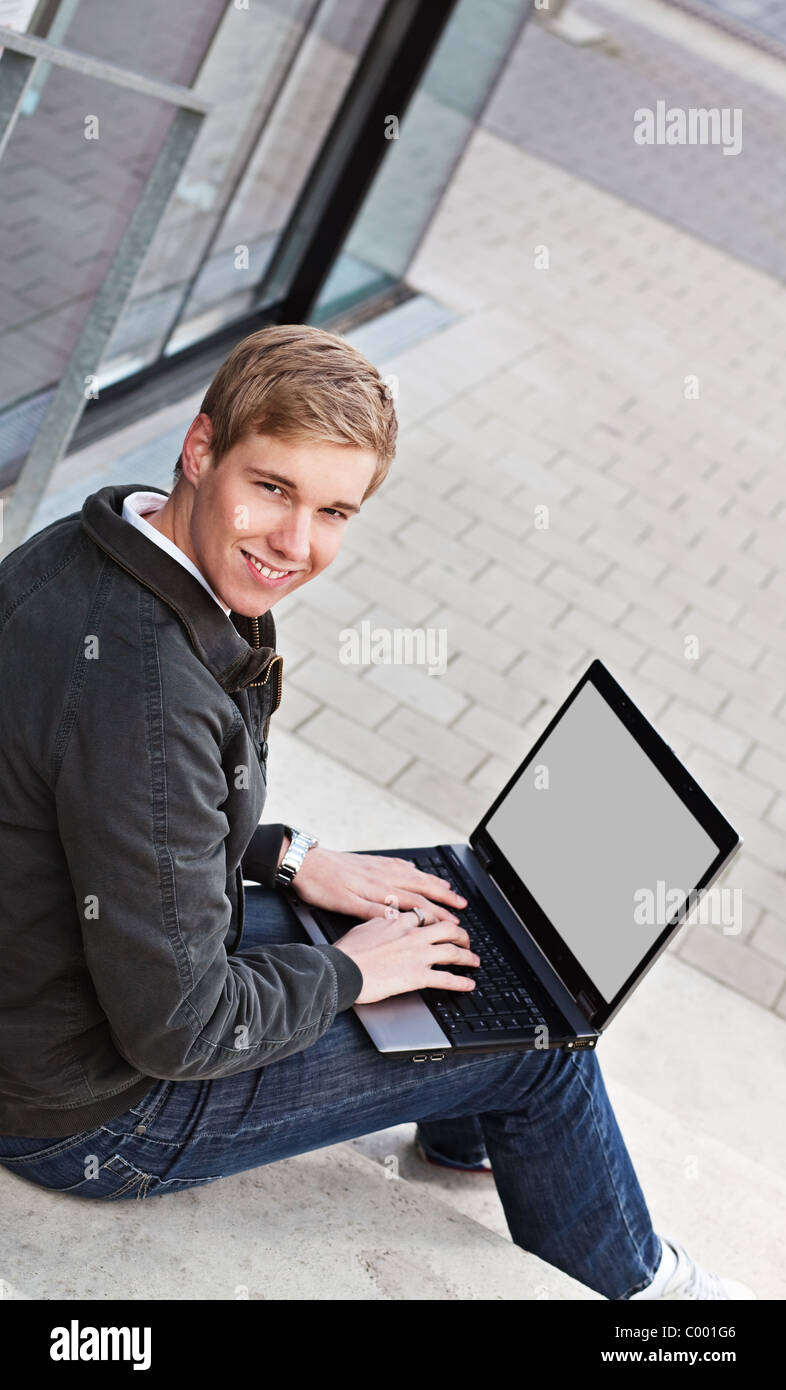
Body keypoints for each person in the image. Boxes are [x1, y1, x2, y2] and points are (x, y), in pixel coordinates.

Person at [0, 324, 753, 1301]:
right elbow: (180, 1031)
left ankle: (459, 1111)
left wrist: (289, 858)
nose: (295, 544)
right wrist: (355, 972)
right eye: (271, 488)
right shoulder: (150, 697)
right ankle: (658, 1300)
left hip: (58, 983)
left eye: (334, 509)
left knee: (459, 930)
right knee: (541, 1049)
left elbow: (95, 810)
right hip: (94, 1110)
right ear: (200, 448)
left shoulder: (86, 546)